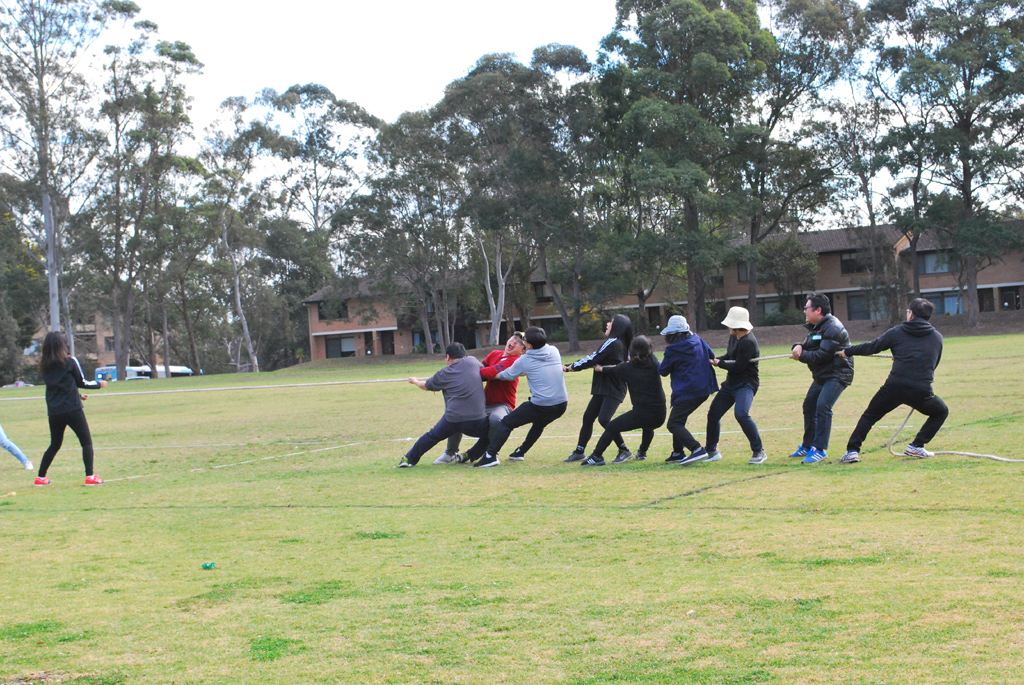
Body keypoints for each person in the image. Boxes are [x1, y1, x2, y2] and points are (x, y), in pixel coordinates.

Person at [837, 298, 948, 463]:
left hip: (895, 386)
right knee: (940, 412)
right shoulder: (937, 337)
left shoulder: (897, 332)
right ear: (928, 317)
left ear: (910, 314)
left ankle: (852, 451)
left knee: (870, 415)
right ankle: (917, 445)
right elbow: (933, 364)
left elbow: (872, 347)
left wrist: (848, 351)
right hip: (921, 389)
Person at [467, 327, 569, 468]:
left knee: (507, 423)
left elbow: (507, 375)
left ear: (529, 346)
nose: (521, 341)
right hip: (562, 404)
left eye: (524, 341)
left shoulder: (524, 360)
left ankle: (491, 456)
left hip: (541, 405)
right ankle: (519, 452)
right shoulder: (554, 350)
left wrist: (495, 375)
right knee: (539, 424)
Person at [433, 332, 525, 464]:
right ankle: (450, 453)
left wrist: (465, 372)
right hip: (484, 403)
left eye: (520, 342)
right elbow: (479, 371)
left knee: (496, 419)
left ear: (522, 350)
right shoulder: (494, 354)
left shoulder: (515, 361)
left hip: (503, 405)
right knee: (457, 414)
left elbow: (486, 373)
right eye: (514, 338)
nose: (514, 342)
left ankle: (491, 454)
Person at [397, 343, 490, 468]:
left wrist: (415, 381)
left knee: (432, 436)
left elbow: (425, 386)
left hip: (452, 420)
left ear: (447, 357)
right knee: (495, 432)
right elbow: (484, 371)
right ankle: (474, 455)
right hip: (476, 421)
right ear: (464, 355)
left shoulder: (443, 373)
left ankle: (408, 459)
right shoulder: (473, 361)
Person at [35, 331, 107, 486]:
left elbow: (59, 386)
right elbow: (82, 382)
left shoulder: (44, 366)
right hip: (73, 410)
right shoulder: (70, 361)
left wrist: (77, 395)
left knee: (55, 444)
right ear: (62, 345)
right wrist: (98, 384)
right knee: (86, 442)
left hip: (54, 411)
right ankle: (90, 476)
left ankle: (40, 477)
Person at [789, 292, 854, 464]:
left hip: (837, 374)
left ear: (818, 310)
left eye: (806, 308)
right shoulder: (817, 327)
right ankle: (808, 444)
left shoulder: (832, 327)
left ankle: (819, 449)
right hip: (822, 375)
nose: (804, 311)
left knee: (823, 406)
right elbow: (808, 345)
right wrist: (797, 346)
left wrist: (799, 356)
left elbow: (821, 356)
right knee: (809, 405)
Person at [581, 336, 666, 466]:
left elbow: (612, 369)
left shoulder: (627, 368)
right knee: (648, 425)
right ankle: (642, 452)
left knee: (611, 426)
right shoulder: (653, 361)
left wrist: (600, 368)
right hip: (660, 415)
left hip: (641, 413)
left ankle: (596, 456)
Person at [699, 307, 766, 466]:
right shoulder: (735, 337)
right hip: (731, 384)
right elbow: (730, 357)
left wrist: (719, 363)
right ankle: (711, 450)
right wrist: (715, 360)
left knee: (741, 414)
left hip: (746, 384)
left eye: (730, 325)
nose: (728, 327)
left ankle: (759, 450)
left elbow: (739, 366)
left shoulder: (748, 342)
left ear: (737, 326)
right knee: (714, 414)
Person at [563, 314, 634, 463]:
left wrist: (571, 367)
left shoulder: (613, 342)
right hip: (604, 388)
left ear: (617, 327)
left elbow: (593, 358)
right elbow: (595, 359)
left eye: (611, 322)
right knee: (588, 417)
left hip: (613, 388)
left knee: (604, 419)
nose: (607, 324)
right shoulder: (619, 343)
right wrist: (572, 365)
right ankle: (579, 451)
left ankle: (624, 450)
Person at [657, 315, 718, 464]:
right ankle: (678, 453)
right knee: (679, 419)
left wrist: (654, 363)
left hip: (687, 391)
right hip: (704, 388)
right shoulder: (697, 339)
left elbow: (663, 371)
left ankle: (696, 449)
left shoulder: (672, 349)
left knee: (673, 423)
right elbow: (711, 355)